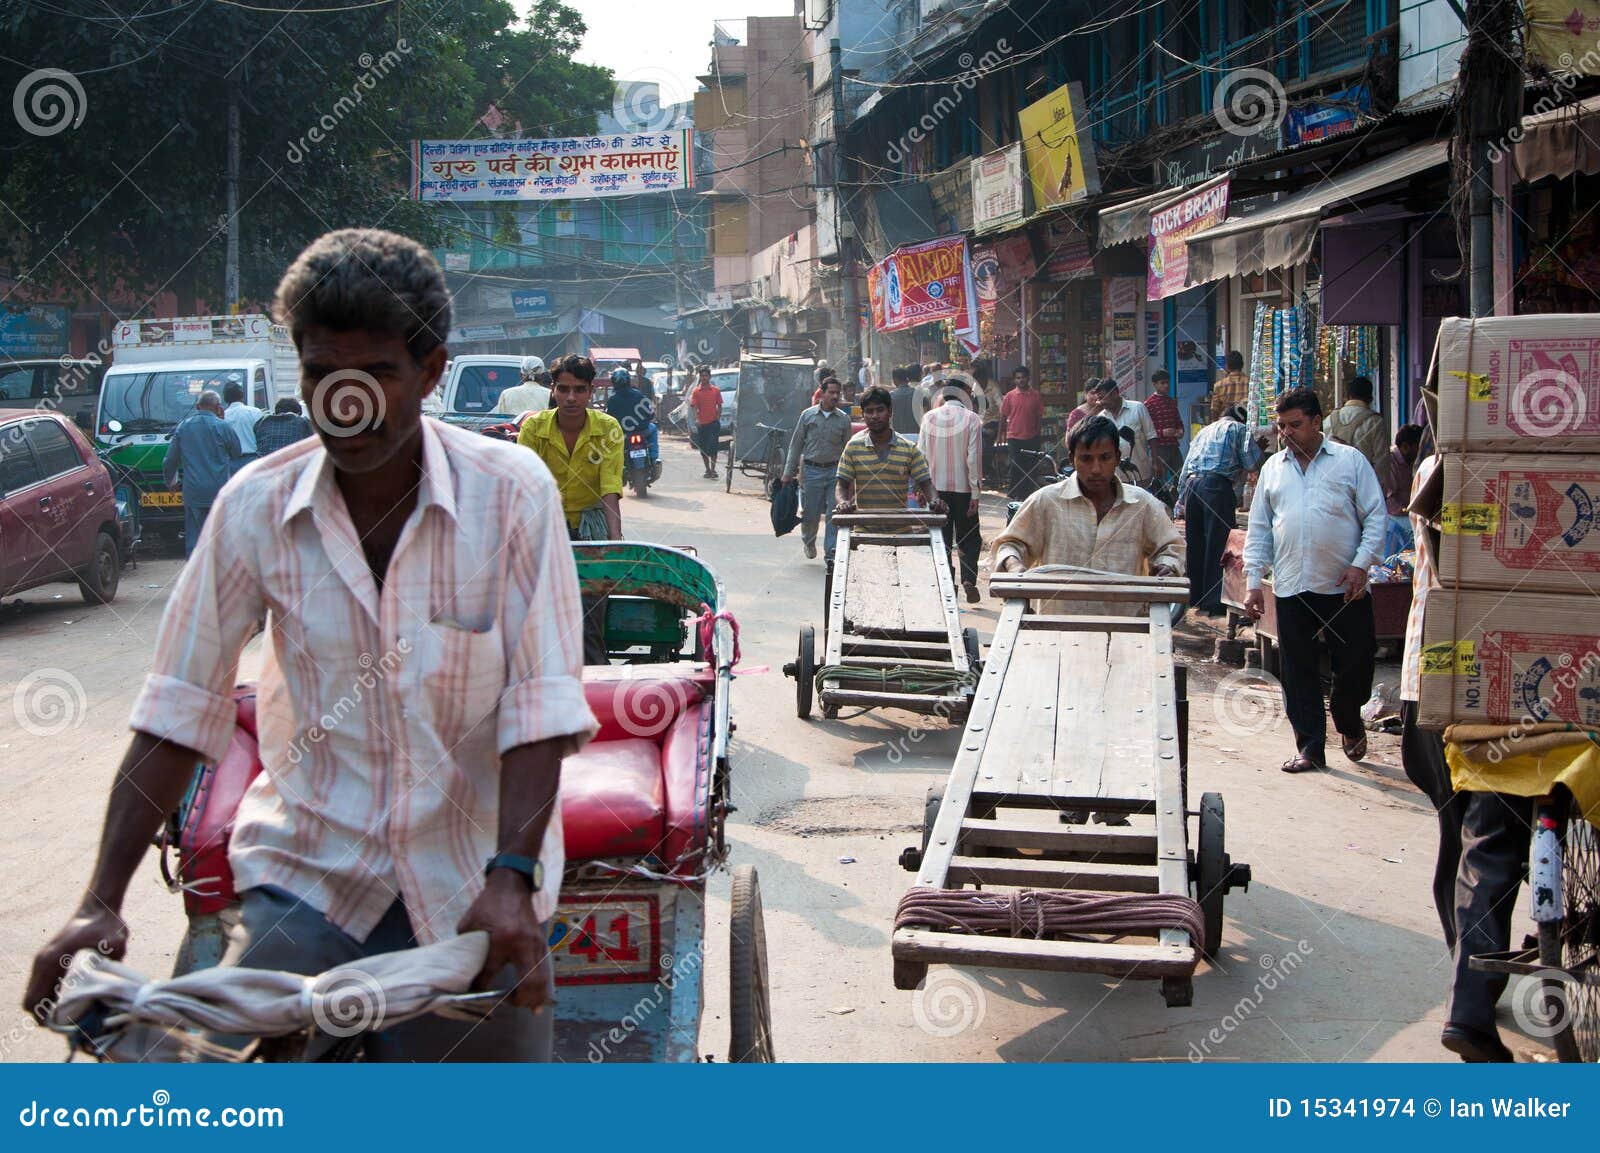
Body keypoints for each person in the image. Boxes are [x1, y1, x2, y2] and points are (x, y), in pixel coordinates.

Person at [25, 228, 592, 1062]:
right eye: (322, 375)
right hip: (308, 876)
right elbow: (180, 705)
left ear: (431, 371)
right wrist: (100, 898)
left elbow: (539, 702)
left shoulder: (512, 496)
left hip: (476, 881)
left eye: (375, 377)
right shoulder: (255, 506)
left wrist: (513, 878)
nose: (344, 404)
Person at [1243, 387, 1387, 774]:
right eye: (1281, 426)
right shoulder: (1273, 469)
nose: (1286, 433)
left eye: (1295, 424)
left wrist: (1360, 565)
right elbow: (1259, 529)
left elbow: (1376, 517)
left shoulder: (1350, 461)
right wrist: (1254, 582)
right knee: (1299, 671)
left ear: (1316, 422)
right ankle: (1311, 748)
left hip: (1346, 587)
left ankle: (1349, 720)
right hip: (1291, 585)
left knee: (1355, 666)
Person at [993, 414, 1183, 618]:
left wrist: (1167, 566)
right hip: (1056, 631)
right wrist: (1014, 565)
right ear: (1072, 459)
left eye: (1105, 458)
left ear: (1118, 458)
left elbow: (1171, 547)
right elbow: (1011, 544)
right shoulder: (1045, 501)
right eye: (1086, 459)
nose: (1096, 469)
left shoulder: (1142, 504)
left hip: (1126, 633)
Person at [518, 354, 624, 666]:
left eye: (579, 389)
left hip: (592, 526)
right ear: (553, 390)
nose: (571, 398)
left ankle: (593, 675)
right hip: (546, 523)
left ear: (592, 391)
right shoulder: (534, 429)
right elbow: (526, 488)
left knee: (590, 614)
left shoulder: (608, 429)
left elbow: (610, 487)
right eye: (564, 389)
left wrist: (615, 541)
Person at [1180, 403, 1265, 616]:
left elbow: (1186, 465)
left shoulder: (1205, 431)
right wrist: (1259, 448)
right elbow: (1252, 463)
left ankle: (1195, 596)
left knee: (1196, 543)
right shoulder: (1239, 429)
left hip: (1193, 485)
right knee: (1218, 543)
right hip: (1216, 486)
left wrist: (1180, 499)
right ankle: (1213, 600)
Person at [918, 377, 985, 602]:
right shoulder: (972, 419)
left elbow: (921, 456)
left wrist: (921, 488)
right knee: (969, 538)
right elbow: (973, 459)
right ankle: (968, 578)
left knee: (942, 538)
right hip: (964, 490)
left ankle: (947, 580)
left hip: (935, 490)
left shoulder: (929, 418)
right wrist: (975, 493)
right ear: (965, 392)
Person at [835, 386, 944, 515]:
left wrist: (935, 500)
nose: (875, 416)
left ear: (890, 411)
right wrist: (842, 502)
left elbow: (926, 484)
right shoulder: (853, 447)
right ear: (863, 415)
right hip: (863, 529)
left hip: (901, 530)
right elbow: (842, 485)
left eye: (880, 410)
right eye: (869, 411)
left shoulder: (909, 448)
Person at [782, 375, 853, 562]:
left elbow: (848, 449)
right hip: (811, 471)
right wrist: (788, 473)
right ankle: (809, 541)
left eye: (838, 393)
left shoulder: (844, 420)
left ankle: (831, 550)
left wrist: (850, 477)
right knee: (810, 513)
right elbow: (796, 445)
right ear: (822, 393)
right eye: (832, 392)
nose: (835, 396)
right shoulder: (807, 416)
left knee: (834, 512)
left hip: (835, 472)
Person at [163, 389, 240, 557]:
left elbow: (170, 460)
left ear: (197, 407)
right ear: (218, 407)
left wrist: (170, 482)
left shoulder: (184, 427)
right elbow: (236, 452)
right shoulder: (224, 426)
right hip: (220, 490)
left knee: (195, 536)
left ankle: (195, 574)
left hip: (194, 491)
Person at [1323, 375, 1390, 479]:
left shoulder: (1328, 420)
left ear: (1348, 396)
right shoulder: (1376, 422)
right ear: (1370, 398)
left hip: (1331, 485)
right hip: (1361, 486)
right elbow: (1381, 464)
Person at [1093, 377, 1157, 482]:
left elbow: (1151, 436)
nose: (1100, 402)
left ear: (1114, 394)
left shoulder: (1137, 408)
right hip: (1115, 477)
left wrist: (1156, 462)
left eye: (1102, 398)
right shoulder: (1101, 418)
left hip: (1140, 472)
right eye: (1098, 399)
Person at [1000, 365, 1044, 500]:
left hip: (1031, 436)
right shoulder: (1010, 396)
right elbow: (1002, 416)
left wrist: (1038, 433)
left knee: (1030, 466)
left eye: (1023, 377)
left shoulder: (1035, 395)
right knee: (1016, 465)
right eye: (1018, 378)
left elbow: (1039, 415)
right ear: (1015, 380)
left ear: (1028, 378)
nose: (1021, 380)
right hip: (1014, 436)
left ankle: (1027, 493)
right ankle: (1013, 492)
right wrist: (1000, 436)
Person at [604, 365, 657, 474]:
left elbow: (608, 419)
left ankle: (616, 466)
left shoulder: (612, 399)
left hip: (622, 434)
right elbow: (649, 413)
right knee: (654, 428)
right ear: (628, 380)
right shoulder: (639, 395)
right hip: (642, 431)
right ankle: (654, 457)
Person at [1143, 369, 1184, 500]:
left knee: (1181, 475)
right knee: (1158, 479)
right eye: (1162, 383)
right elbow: (1146, 429)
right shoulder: (1148, 404)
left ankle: (1176, 500)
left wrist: (1180, 431)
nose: (1166, 386)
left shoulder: (1172, 402)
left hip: (1173, 446)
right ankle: (1160, 503)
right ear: (1155, 384)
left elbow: (1179, 422)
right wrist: (1162, 433)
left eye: (1167, 383)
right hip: (1159, 448)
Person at [686, 364, 724, 478]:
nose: (704, 378)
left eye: (706, 376)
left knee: (713, 447)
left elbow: (720, 406)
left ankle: (713, 470)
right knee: (703, 448)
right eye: (702, 376)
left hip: (713, 423)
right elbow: (693, 407)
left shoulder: (716, 390)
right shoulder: (696, 392)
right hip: (702, 424)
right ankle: (707, 469)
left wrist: (717, 418)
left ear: (709, 377)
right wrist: (696, 419)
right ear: (700, 377)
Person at [221, 380, 265, 469]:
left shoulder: (222, 417)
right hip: (253, 460)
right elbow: (263, 437)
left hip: (230, 463)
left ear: (225, 399)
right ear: (242, 396)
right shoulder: (255, 412)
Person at [1210, 350, 1249, 421]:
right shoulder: (1250, 383)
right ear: (1242, 365)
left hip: (1226, 424)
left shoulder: (1219, 385)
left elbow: (1214, 410)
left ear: (1227, 366)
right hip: (1246, 423)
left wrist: (1214, 425)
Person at [890, 364, 920, 435]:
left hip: (898, 436)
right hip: (916, 435)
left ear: (895, 380)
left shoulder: (890, 396)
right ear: (907, 379)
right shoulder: (918, 394)